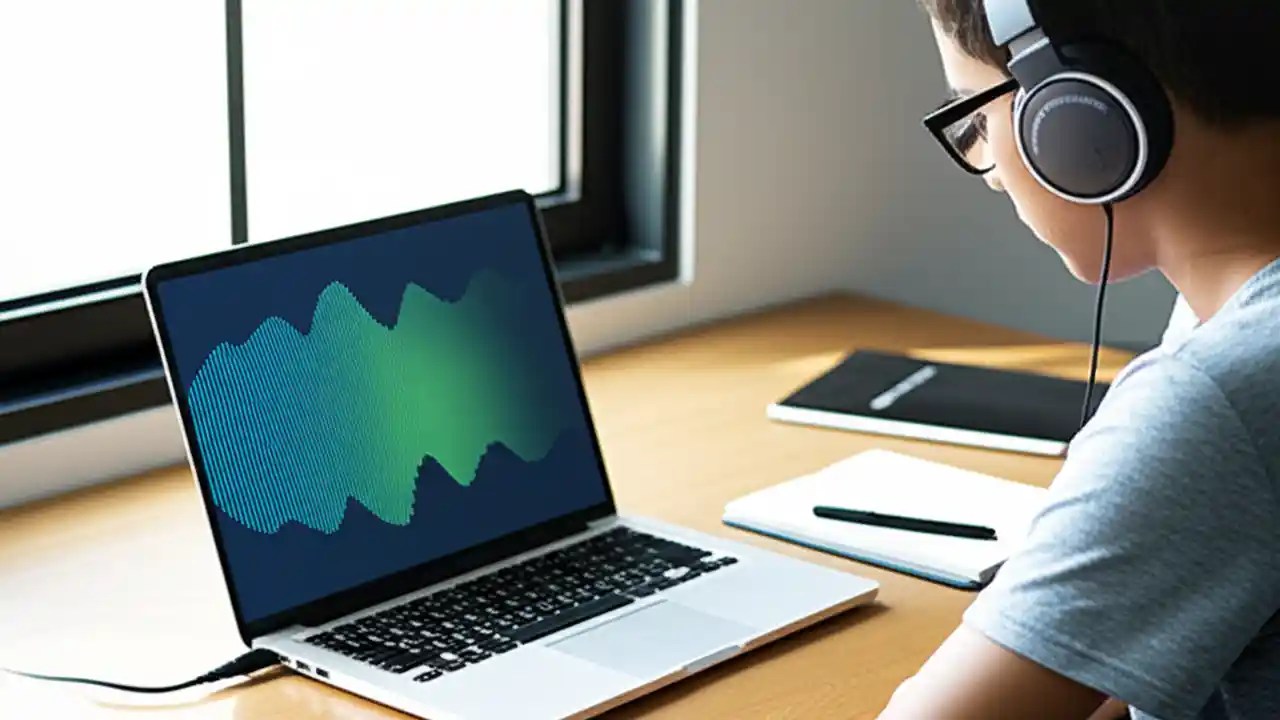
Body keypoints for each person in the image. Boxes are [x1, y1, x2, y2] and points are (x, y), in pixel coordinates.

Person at [878, 2, 1280, 719]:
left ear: (1083, 114)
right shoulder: (1230, 319)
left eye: (976, 114)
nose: (991, 170)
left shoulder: (1220, 392)